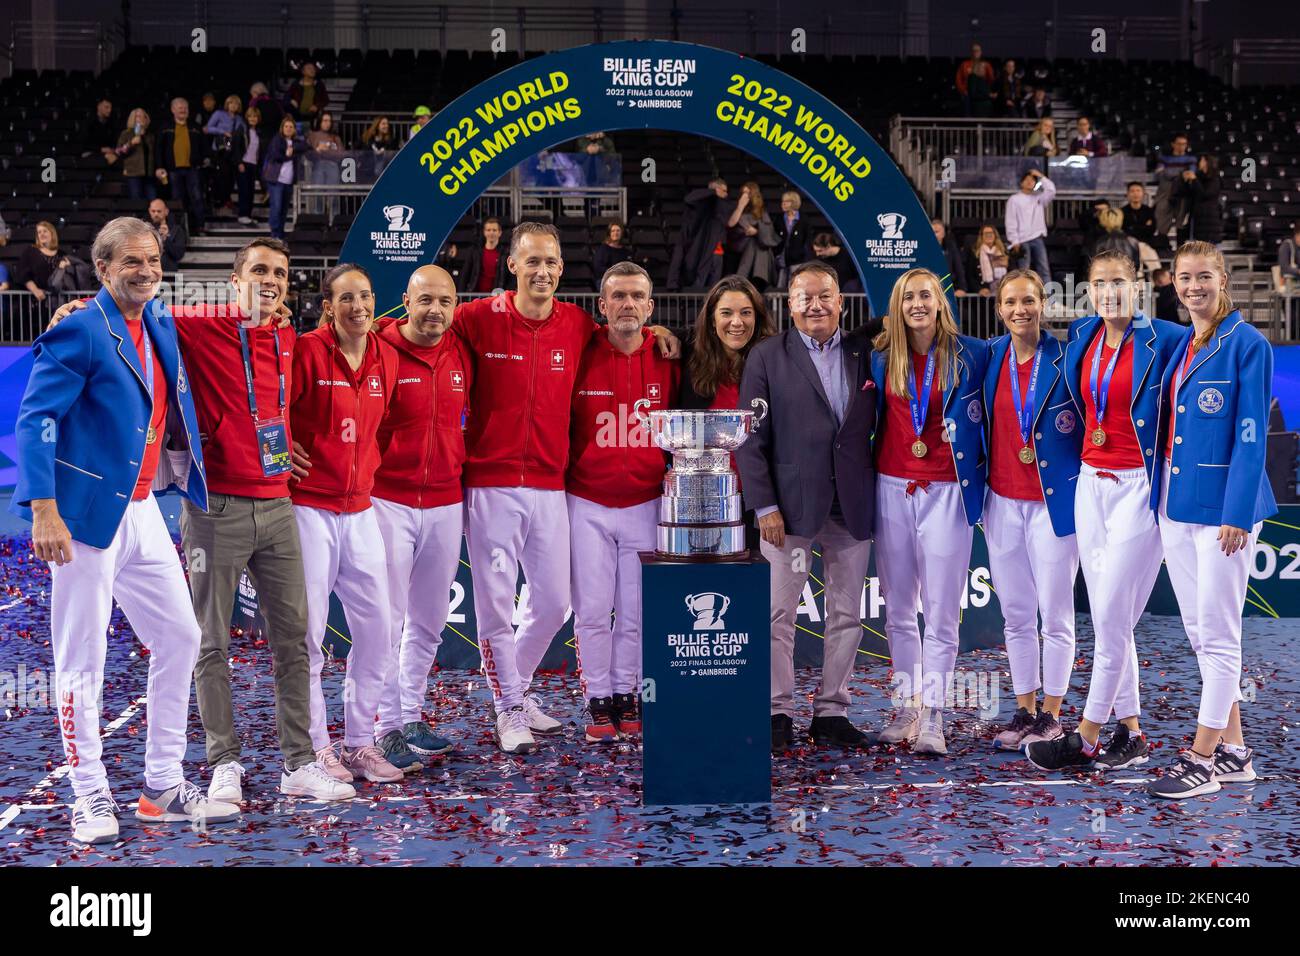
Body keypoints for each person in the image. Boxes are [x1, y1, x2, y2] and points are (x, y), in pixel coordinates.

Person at [48, 237, 357, 803]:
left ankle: (297, 763)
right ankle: (224, 763)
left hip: (280, 502)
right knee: (209, 641)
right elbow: (137, 306)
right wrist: (80, 308)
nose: (271, 281)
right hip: (215, 507)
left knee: (294, 640)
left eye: (281, 274)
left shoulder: (287, 333)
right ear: (233, 281)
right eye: (258, 270)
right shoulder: (195, 323)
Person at [10, 217, 238, 843]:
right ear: (104, 268)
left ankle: (161, 783)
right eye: (130, 262)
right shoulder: (81, 329)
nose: (144, 270)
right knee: (81, 660)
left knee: (181, 637)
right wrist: (43, 508)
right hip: (84, 518)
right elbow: (35, 420)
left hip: (140, 512)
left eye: (152, 260)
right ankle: (89, 795)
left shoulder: (160, 319)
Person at [450, 223, 678, 754]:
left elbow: (632, 328)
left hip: (553, 485)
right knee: (499, 602)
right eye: (531, 261)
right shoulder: (477, 317)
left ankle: (518, 689)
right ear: (512, 265)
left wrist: (662, 331)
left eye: (551, 262)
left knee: (555, 605)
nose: (543, 271)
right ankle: (508, 706)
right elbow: (423, 324)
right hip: (493, 483)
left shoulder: (576, 325)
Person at [1025, 250, 1183, 774]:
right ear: (1088, 290)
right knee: (1112, 619)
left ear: (1136, 287)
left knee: (1113, 616)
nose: (1109, 291)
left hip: (1140, 486)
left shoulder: (1166, 340)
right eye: (1099, 283)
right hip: (1090, 484)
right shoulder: (1083, 338)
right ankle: (1132, 731)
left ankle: (1086, 735)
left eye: (1119, 282)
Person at [1148, 241, 1276, 798]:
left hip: (1225, 514)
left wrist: (1238, 512)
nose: (1193, 286)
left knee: (1220, 638)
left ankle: (1200, 760)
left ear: (1223, 279)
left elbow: (1252, 435)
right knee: (1201, 636)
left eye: (1204, 276)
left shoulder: (1248, 344)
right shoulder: (1183, 345)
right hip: (1177, 507)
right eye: (1184, 277)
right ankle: (1235, 753)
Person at [736, 260, 879, 753]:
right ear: (789, 304)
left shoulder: (868, 350)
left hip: (852, 504)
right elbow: (750, 440)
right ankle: (777, 710)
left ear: (841, 301)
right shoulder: (767, 356)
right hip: (789, 512)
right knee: (778, 614)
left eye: (825, 296)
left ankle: (832, 713)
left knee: (846, 616)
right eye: (804, 297)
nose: (815, 305)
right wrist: (764, 506)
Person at [289, 263, 408, 783]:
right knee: (310, 636)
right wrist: (278, 450)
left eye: (365, 297)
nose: (358, 306)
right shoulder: (305, 351)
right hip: (309, 508)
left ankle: (360, 741)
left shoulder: (386, 356)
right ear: (327, 307)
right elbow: (272, 411)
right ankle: (317, 749)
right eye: (346, 299)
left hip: (361, 509)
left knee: (379, 630)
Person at [871, 268, 989, 755]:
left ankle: (935, 715)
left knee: (941, 613)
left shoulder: (973, 354)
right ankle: (906, 706)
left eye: (926, 295)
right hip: (891, 487)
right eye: (908, 297)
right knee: (899, 611)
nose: (917, 303)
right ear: (897, 306)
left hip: (946, 490)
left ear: (940, 302)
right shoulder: (880, 356)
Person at [567, 261, 677, 743]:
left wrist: (664, 334)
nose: (628, 304)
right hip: (585, 500)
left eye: (637, 297)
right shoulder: (579, 350)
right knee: (591, 610)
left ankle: (629, 692)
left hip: (645, 502)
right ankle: (597, 696)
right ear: (602, 305)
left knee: (635, 610)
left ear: (650, 307)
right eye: (619, 296)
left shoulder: (671, 356)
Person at [370, 265, 471, 764]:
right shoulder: (379, 348)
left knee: (428, 620)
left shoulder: (461, 350)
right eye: (425, 299)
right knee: (388, 620)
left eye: (445, 301)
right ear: (405, 302)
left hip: (446, 500)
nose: (435, 310)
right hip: (388, 499)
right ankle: (384, 725)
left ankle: (409, 712)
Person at [981, 270, 1082, 751]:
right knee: (1016, 615)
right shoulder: (989, 356)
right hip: (1000, 503)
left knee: (1056, 615)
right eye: (1010, 302)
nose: (1020, 310)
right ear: (999, 309)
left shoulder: (1066, 358)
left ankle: (1053, 714)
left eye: (1028, 301)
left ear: (1043, 305)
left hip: (1051, 504)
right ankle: (1023, 710)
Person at [154, 97, 208, 234]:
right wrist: (159, 166)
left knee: (197, 198)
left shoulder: (195, 127)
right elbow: (158, 149)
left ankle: (200, 227)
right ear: (173, 110)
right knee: (177, 200)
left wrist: (204, 160)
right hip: (172, 170)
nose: (183, 110)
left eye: (185, 107)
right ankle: (179, 229)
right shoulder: (165, 127)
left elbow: (204, 147)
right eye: (180, 107)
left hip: (192, 169)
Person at [668, 178, 729, 290]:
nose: (725, 194)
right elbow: (689, 199)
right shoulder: (700, 197)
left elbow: (725, 220)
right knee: (680, 262)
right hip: (689, 237)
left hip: (708, 243)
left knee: (706, 275)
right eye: (723, 191)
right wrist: (713, 192)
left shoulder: (719, 205)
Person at [1005, 168, 1056, 282]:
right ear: (1021, 182)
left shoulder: (1038, 197)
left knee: (1044, 269)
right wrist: (1014, 240)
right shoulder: (1014, 199)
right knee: (1024, 270)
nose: (1029, 182)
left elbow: (1051, 190)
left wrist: (1040, 176)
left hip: (1037, 237)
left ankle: (1049, 299)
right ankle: (1024, 296)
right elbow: (1011, 221)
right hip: (1022, 239)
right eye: (1027, 180)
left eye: (1032, 180)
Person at [262, 117, 308, 240]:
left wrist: (292, 151)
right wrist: (289, 155)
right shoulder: (277, 139)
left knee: (283, 209)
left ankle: (280, 233)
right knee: (276, 207)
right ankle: (275, 233)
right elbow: (275, 155)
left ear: (294, 130)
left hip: (289, 181)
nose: (288, 129)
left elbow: (305, 146)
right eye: (286, 126)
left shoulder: (296, 142)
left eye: (291, 127)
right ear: (282, 128)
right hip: (276, 179)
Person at [726, 181, 778, 291]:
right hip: (738, 252)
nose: (745, 196)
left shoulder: (761, 212)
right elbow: (731, 224)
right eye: (743, 193)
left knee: (755, 245)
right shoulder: (735, 209)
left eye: (748, 193)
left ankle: (756, 279)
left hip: (757, 255)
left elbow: (769, 233)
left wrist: (756, 231)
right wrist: (740, 206)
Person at [1154, 134, 1197, 251]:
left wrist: (1169, 172)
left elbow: (1190, 176)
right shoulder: (1164, 158)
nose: (1181, 146)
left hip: (1183, 195)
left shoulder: (1191, 159)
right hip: (1165, 193)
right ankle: (1162, 250)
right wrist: (1180, 173)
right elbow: (1159, 175)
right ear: (1173, 144)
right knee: (1162, 223)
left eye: (1184, 144)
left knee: (1181, 224)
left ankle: (1181, 250)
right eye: (1179, 144)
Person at [204, 94, 246, 212]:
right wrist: (223, 132)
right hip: (220, 150)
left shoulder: (239, 119)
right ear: (227, 104)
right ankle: (222, 200)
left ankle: (227, 199)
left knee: (231, 177)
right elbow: (207, 128)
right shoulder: (219, 114)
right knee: (222, 175)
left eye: (236, 103)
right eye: (231, 103)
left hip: (233, 151)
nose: (233, 106)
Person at [1178, 154, 1223, 245]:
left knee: (1210, 249)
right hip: (1197, 216)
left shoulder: (1214, 179)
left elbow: (1205, 194)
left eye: (1202, 160)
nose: (1199, 163)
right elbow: (1188, 193)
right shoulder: (1198, 177)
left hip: (1209, 217)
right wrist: (1185, 181)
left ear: (1207, 162)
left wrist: (1194, 180)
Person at [306, 112, 344, 216]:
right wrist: (318, 150)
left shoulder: (335, 137)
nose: (328, 123)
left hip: (333, 166)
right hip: (318, 166)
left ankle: (335, 218)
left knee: (334, 193)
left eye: (329, 121)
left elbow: (340, 154)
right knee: (318, 193)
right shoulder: (313, 135)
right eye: (325, 121)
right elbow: (308, 153)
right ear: (320, 122)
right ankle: (319, 219)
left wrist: (325, 152)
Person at [459, 217, 509, 293]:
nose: (491, 233)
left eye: (494, 230)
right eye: (488, 230)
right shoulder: (475, 252)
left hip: (496, 299)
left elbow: (510, 277)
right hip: (475, 297)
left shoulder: (505, 253)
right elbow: (465, 274)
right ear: (484, 232)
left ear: (500, 232)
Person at [116, 108, 156, 201]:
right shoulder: (126, 134)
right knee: (136, 201)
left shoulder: (150, 135)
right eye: (138, 116)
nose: (141, 118)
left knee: (152, 200)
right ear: (133, 119)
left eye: (143, 116)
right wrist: (130, 143)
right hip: (133, 174)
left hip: (149, 173)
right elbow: (118, 151)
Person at [235, 106, 266, 225]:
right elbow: (236, 147)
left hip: (253, 165)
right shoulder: (242, 129)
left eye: (255, 116)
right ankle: (242, 214)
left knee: (251, 191)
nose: (253, 118)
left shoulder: (258, 132)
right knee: (244, 190)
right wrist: (239, 162)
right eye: (250, 116)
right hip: (243, 164)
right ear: (246, 117)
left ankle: (248, 214)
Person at [1089, 208, 1141, 274]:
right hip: (1126, 278)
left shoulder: (1099, 241)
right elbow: (1136, 266)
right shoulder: (1132, 241)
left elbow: (1094, 266)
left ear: (1103, 220)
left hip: (1106, 278)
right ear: (1121, 219)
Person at [775, 190, 809, 286]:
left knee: (796, 286)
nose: (783, 204)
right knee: (780, 286)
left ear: (793, 202)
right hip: (782, 260)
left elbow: (807, 240)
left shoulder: (804, 219)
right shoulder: (779, 219)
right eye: (782, 201)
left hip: (798, 260)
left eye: (786, 201)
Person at [146, 198, 188, 272]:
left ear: (166, 211)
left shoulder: (177, 230)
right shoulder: (144, 229)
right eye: (153, 211)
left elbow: (178, 255)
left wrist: (166, 239)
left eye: (159, 211)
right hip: (148, 272)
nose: (156, 214)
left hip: (169, 272)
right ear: (149, 211)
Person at [931, 218, 969, 296]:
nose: (934, 234)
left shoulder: (951, 247)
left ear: (943, 233)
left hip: (948, 288)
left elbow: (959, 268)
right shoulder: (923, 248)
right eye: (932, 232)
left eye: (937, 232)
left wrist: (962, 288)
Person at [956, 42, 996, 116]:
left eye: (978, 51)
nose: (976, 53)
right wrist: (963, 91)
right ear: (971, 52)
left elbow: (991, 79)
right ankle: (968, 123)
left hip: (982, 93)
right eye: (974, 51)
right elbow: (958, 80)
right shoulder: (964, 64)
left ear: (981, 52)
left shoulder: (986, 65)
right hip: (967, 93)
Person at [591, 221, 633, 290]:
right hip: (606, 279)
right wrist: (614, 272)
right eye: (613, 231)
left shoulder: (626, 251)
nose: (615, 233)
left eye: (618, 231)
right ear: (609, 233)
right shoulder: (603, 249)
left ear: (622, 233)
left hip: (623, 279)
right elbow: (598, 267)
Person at [975, 223, 1009, 295]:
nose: (989, 235)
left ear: (995, 235)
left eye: (991, 233)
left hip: (1004, 288)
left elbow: (1012, 270)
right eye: (986, 233)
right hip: (985, 291)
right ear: (981, 236)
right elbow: (971, 275)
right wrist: (979, 289)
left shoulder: (1004, 251)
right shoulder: (975, 253)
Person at [1121, 181, 1157, 249]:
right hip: (1127, 246)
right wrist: (1144, 227)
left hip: (1146, 245)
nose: (1135, 194)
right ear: (1128, 194)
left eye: (1138, 191)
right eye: (1132, 191)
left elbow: (1152, 230)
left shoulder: (1149, 211)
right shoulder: (1122, 212)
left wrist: (1133, 228)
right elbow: (1124, 231)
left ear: (1143, 193)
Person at [82, 98, 118, 165]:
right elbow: (84, 143)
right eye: (106, 107)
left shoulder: (111, 123)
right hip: (91, 152)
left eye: (110, 108)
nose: (109, 110)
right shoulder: (89, 122)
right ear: (99, 106)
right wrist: (101, 149)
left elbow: (113, 141)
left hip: (107, 153)